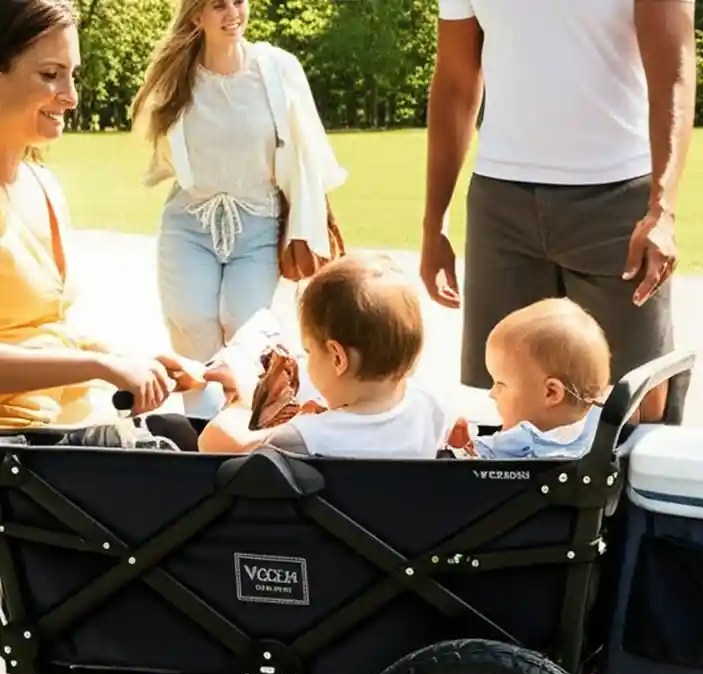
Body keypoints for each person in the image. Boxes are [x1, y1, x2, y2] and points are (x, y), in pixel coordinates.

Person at [419, 0, 697, 429]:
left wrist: (662, 208)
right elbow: (455, 82)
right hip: (501, 205)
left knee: (637, 403)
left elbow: (673, 77)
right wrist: (434, 222)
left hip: (618, 200)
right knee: (506, 398)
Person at [0, 0, 232, 431]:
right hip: (18, 446)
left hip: (63, 431)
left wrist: (130, 360)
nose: (70, 97)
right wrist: (99, 366)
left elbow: (50, 333)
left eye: (73, 75)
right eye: (50, 75)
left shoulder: (42, 185)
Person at [131, 0, 345, 417]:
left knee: (246, 327)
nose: (233, 12)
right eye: (218, 5)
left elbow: (311, 150)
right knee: (192, 321)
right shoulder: (177, 76)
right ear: (197, 16)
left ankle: (244, 423)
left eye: (239, 1)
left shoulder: (277, 68)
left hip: (258, 222)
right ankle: (201, 427)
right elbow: (159, 146)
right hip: (190, 221)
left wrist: (308, 217)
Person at [198, 253, 447, 458]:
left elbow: (214, 443)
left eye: (309, 352)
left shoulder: (306, 437)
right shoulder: (428, 409)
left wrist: (242, 402)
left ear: (337, 358)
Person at [447, 298, 610, 460]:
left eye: (500, 384)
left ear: (551, 392)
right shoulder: (602, 431)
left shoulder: (525, 440)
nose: (493, 393)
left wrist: (463, 449)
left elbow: (482, 472)